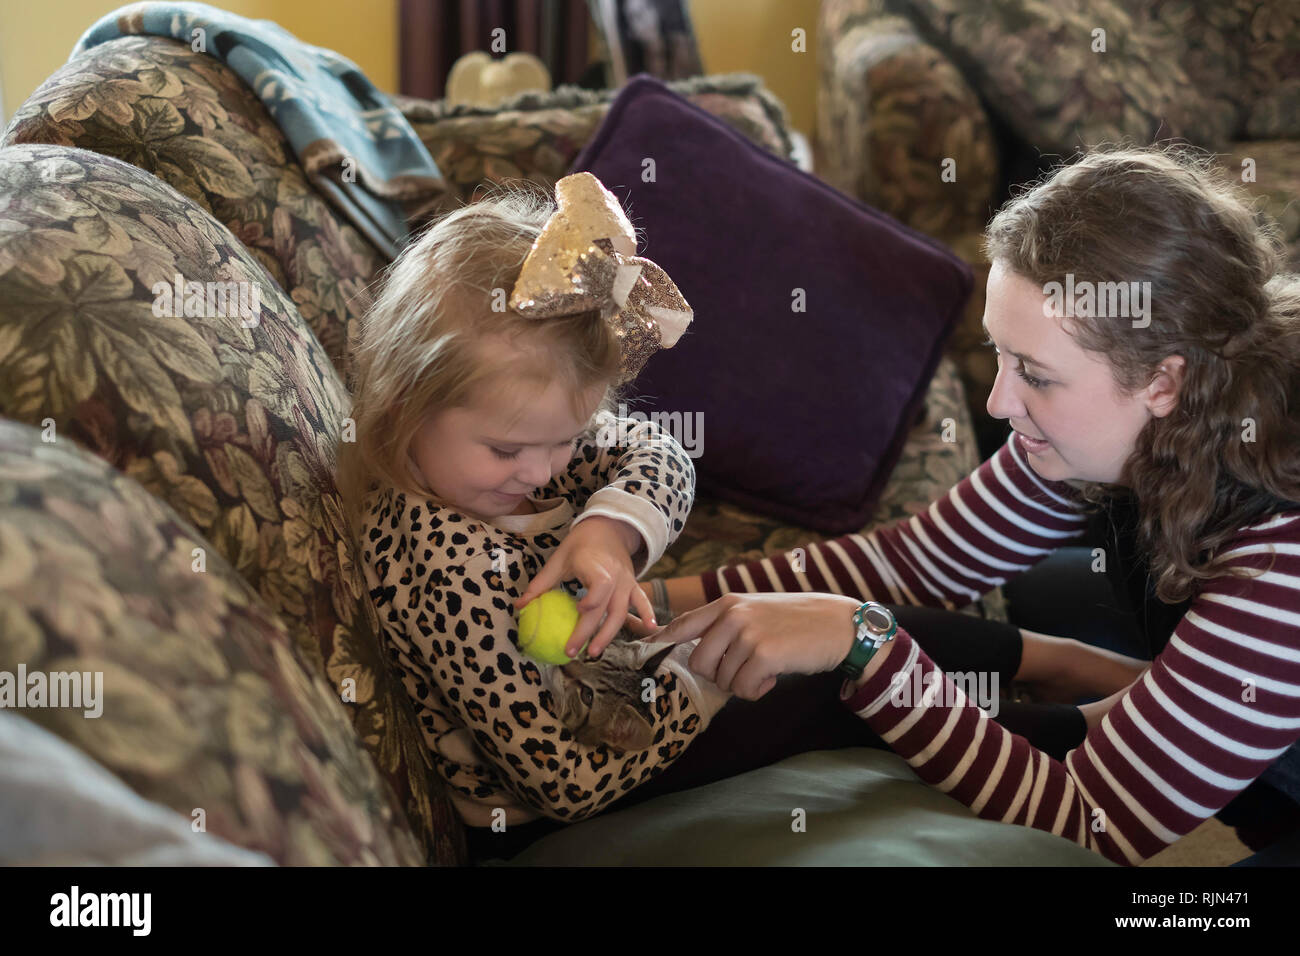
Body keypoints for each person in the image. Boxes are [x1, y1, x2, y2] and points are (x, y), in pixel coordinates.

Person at [638, 145, 1300, 867]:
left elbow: (1090, 822)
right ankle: (1162, 699)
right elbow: (920, 561)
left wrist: (867, 649)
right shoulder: (1173, 401)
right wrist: (657, 602)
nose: (999, 402)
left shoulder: (1277, 568)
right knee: (1040, 590)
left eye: (1037, 377)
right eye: (1002, 357)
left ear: (1164, 382)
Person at [336, 173, 730, 860]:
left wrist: (607, 534)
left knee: (827, 643)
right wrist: (702, 684)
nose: (543, 473)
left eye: (569, 441)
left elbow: (659, 452)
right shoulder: (443, 563)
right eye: (508, 449)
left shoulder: (503, 452)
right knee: (819, 681)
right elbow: (564, 784)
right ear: (403, 407)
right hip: (548, 820)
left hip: (619, 695)